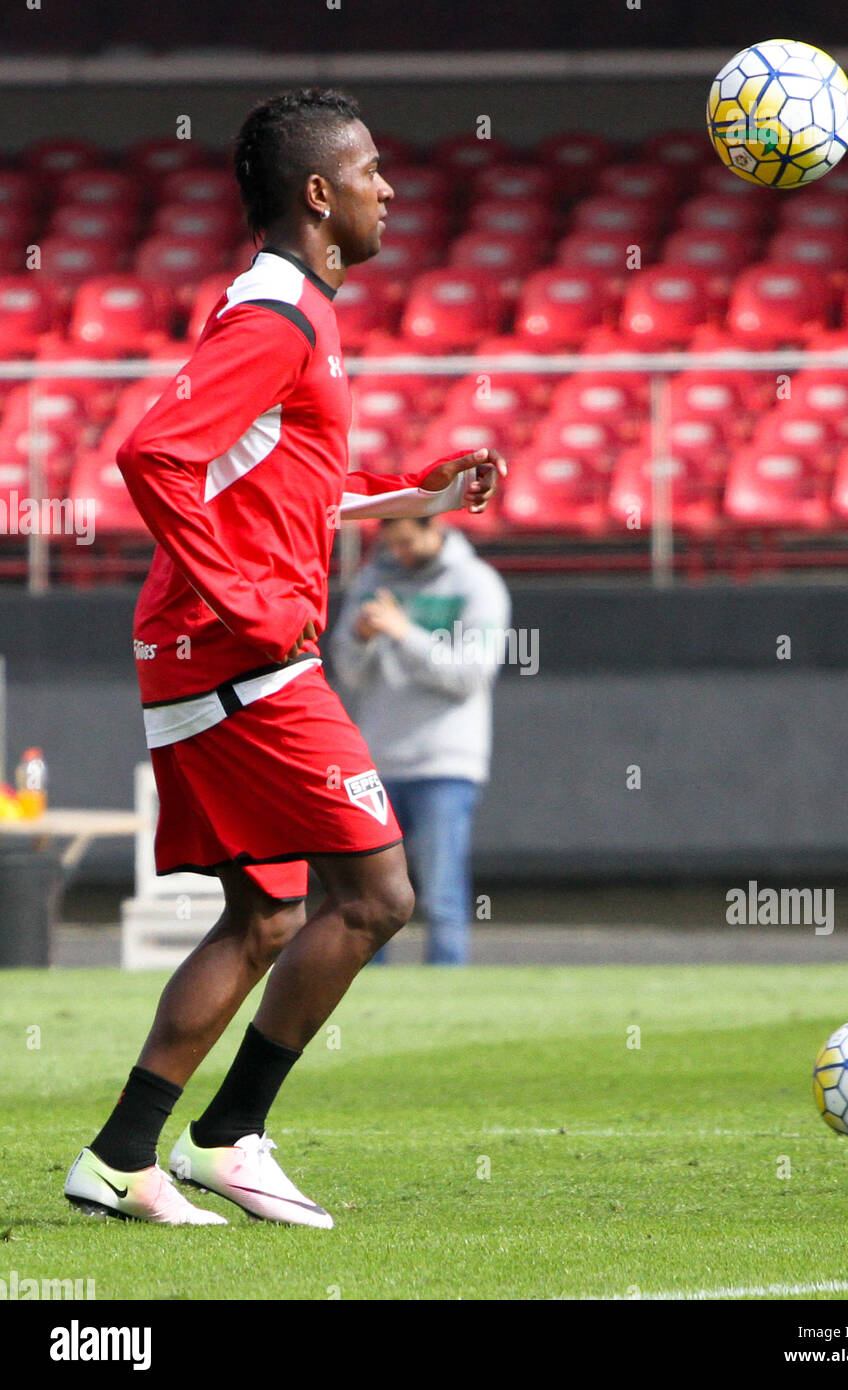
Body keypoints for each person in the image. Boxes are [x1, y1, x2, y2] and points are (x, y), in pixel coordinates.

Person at [63, 88, 505, 1227]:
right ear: (319, 194)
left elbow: (292, 487)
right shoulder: (280, 316)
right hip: (235, 652)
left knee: (264, 914)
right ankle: (230, 1134)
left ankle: (122, 1156)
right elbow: (153, 453)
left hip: (203, 645)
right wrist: (253, 604)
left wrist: (424, 486)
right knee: (376, 891)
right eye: (370, 171)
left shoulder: (296, 308)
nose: (388, 188)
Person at [330, 516, 510, 965]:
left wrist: (402, 631)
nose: (401, 554)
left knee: (441, 895)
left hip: (445, 763)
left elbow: (470, 675)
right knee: (371, 897)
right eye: (392, 545)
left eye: (408, 542)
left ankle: (448, 1004)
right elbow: (349, 672)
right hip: (378, 762)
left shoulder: (477, 582)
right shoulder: (374, 578)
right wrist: (361, 636)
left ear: (436, 528)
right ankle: (367, 1004)